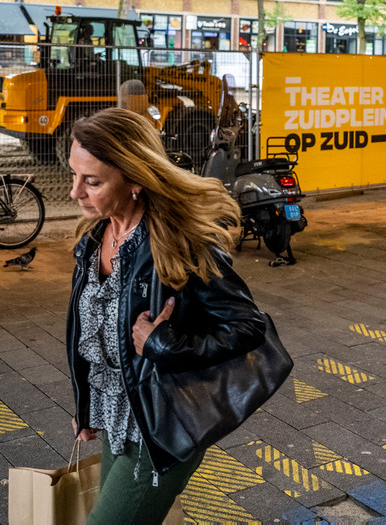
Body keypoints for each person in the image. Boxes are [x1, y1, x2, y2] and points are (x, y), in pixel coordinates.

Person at [66, 107, 266, 523]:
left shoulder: (180, 245)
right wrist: (88, 404)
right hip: (116, 415)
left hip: (162, 424)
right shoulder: (94, 238)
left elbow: (249, 326)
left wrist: (163, 345)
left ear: (135, 179)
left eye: (92, 181)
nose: (75, 192)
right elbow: (95, 337)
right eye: (74, 175)